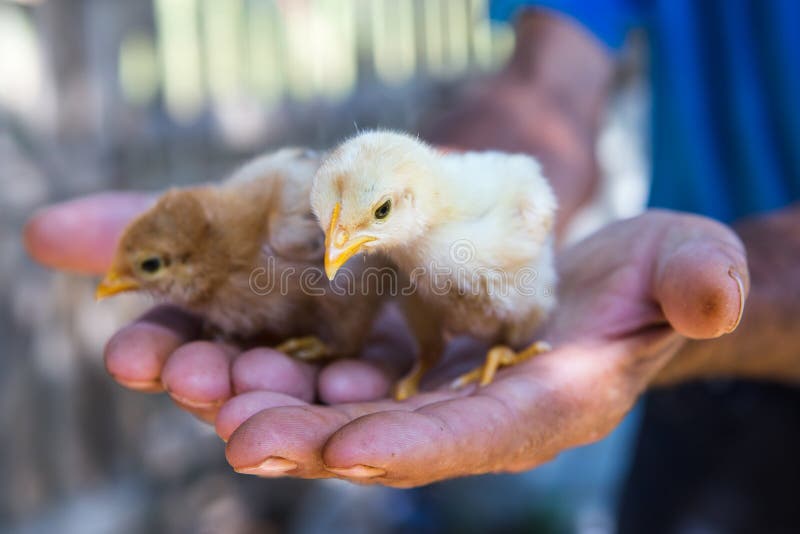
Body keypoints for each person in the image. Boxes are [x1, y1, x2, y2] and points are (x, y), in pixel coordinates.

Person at [24, 3, 800, 531]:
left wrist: (745, 289)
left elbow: (520, 200)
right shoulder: (382, 240)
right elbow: (542, 92)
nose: (332, 249)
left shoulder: (482, 223)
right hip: (694, 408)